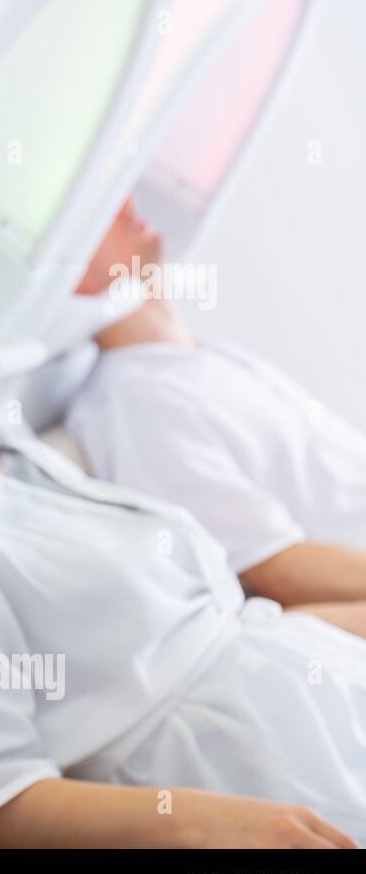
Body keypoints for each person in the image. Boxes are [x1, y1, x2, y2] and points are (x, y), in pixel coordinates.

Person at [0, 235, 366, 848]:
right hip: (273, 784)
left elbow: (219, 633)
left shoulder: (21, 466)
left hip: (327, 703)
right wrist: (217, 824)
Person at [66, 199, 366, 612]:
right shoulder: (140, 407)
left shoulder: (202, 359)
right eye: (101, 207)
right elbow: (274, 566)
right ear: (72, 272)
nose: (126, 203)